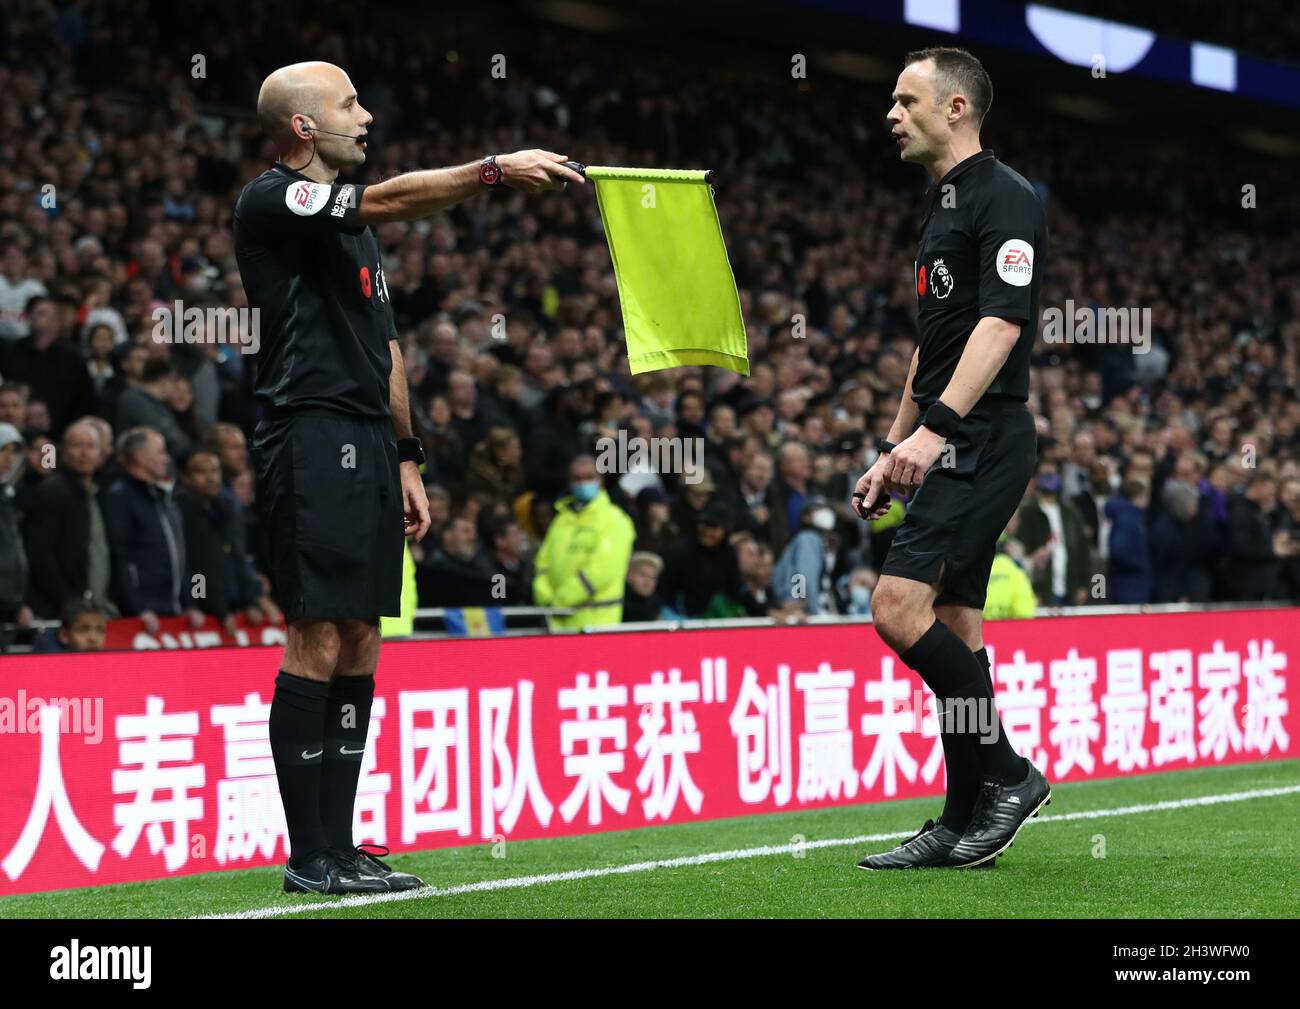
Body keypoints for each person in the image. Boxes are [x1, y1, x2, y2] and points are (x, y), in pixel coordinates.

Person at [236, 60, 582, 895]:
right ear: (305, 128)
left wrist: (406, 454)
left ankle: (344, 845)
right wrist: (493, 169)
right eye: (350, 103)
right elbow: (387, 195)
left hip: (365, 443)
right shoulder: (272, 198)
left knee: (362, 634)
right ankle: (309, 855)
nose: (368, 114)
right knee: (317, 631)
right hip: (307, 433)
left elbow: (387, 346)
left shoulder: (361, 235)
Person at [854, 48, 1050, 871]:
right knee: (958, 629)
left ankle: (1008, 773)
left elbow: (999, 327)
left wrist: (934, 432)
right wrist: (895, 445)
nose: (891, 115)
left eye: (906, 100)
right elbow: (928, 348)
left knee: (897, 608)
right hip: (947, 435)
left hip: (985, 435)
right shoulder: (942, 209)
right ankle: (959, 812)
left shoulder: (1005, 196)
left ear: (957, 108)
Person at [532, 455, 635, 628]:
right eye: (577, 478)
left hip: (596, 624)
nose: (582, 483)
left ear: (600, 479)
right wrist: (544, 596)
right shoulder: (561, 520)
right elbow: (542, 563)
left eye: (589, 477)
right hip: (557, 624)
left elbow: (602, 570)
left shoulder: (614, 520)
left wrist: (560, 601)